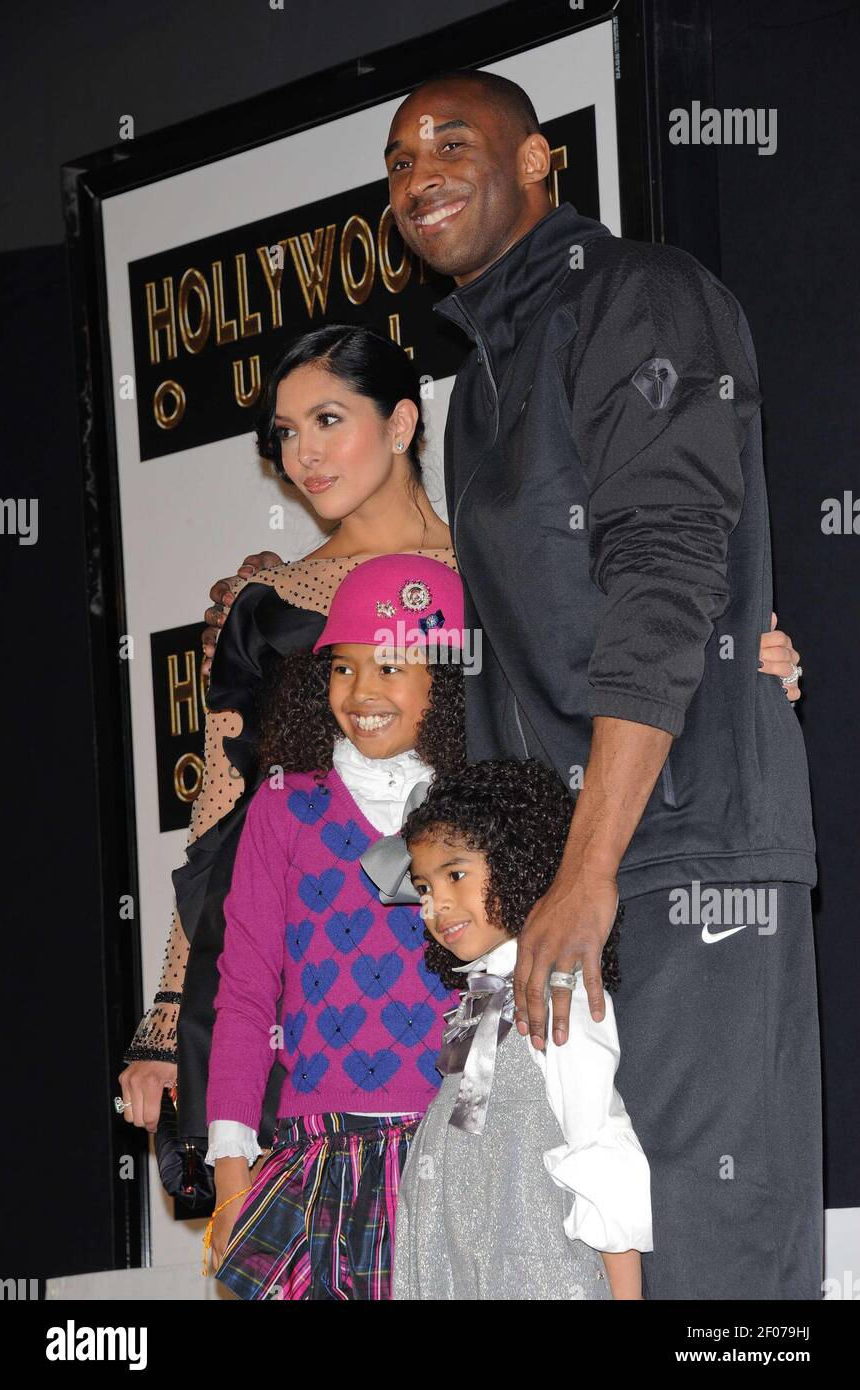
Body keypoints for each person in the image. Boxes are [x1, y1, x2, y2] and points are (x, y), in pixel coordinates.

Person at [201, 68, 819, 1300]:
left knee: (705, 1247)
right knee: (586, 1253)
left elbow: (661, 569)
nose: (416, 171)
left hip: (677, 858)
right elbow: (495, 684)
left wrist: (587, 872)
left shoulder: (642, 297)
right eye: (394, 158)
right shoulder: (478, 385)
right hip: (567, 884)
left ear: (539, 161)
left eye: (450, 139)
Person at [117, 326, 456, 1145]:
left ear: (403, 425)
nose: (303, 454)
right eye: (287, 433)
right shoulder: (267, 607)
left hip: (467, 957)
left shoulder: (496, 573)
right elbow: (218, 816)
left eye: (329, 420)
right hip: (316, 980)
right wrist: (167, 1018)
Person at [205, 553, 466, 1299]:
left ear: (441, 685)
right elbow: (247, 991)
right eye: (343, 669)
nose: (363, 692)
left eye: (391, 667)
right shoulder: (285, 807)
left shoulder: (481, 807)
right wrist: (230, 1169)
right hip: (323, 1160)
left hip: (457, 1150)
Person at [391, 758, 652, 1302]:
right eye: (422, 887)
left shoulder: (561, 993)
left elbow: (601, 1146)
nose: (436, 905)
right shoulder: (476, 1007)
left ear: (517, 862)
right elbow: (468, 1155)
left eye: (455, 874)